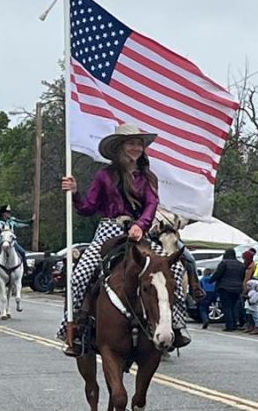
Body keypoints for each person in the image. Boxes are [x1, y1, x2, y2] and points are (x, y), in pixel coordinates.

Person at [58, 123, 192, 356]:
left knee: (175, 270)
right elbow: (88, 208)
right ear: (120, 147)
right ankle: (74, 328)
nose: (136, 148)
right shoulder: (104, 176)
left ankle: (176, 324)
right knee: (79, 276)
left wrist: (141, 225)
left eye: (139, 143)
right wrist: (76, 193)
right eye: (131, 143)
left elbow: (151, 204)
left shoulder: (148, 177)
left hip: (141, 234)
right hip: (109, 230)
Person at [209, 249, 245, 332]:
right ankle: (235, 324)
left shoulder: (224, 263)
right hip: (237, 288)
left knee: (227, 307)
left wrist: (211, 280)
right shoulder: (241, 264)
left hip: (225, 287)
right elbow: (242, 276)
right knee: (234, 306)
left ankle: (229, 326)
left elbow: (217, 274)